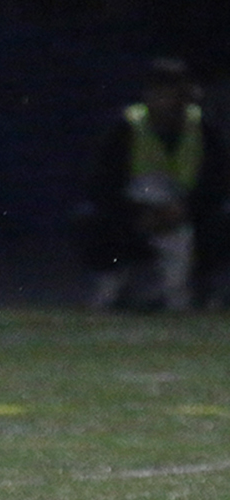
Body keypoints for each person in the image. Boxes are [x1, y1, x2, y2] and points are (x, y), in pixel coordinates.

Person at [78, 57, 230, 312]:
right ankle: (113, 283)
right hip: (137, 217)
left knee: (224, 221)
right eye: (162, 91)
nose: (170, 100)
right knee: (89, 221)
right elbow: (101, 184)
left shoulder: (203, 129)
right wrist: (138, 213)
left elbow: (219, 182)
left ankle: (206, 286)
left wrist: (186, 209)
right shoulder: (126, 128)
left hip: (188, 217)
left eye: (178, 91)